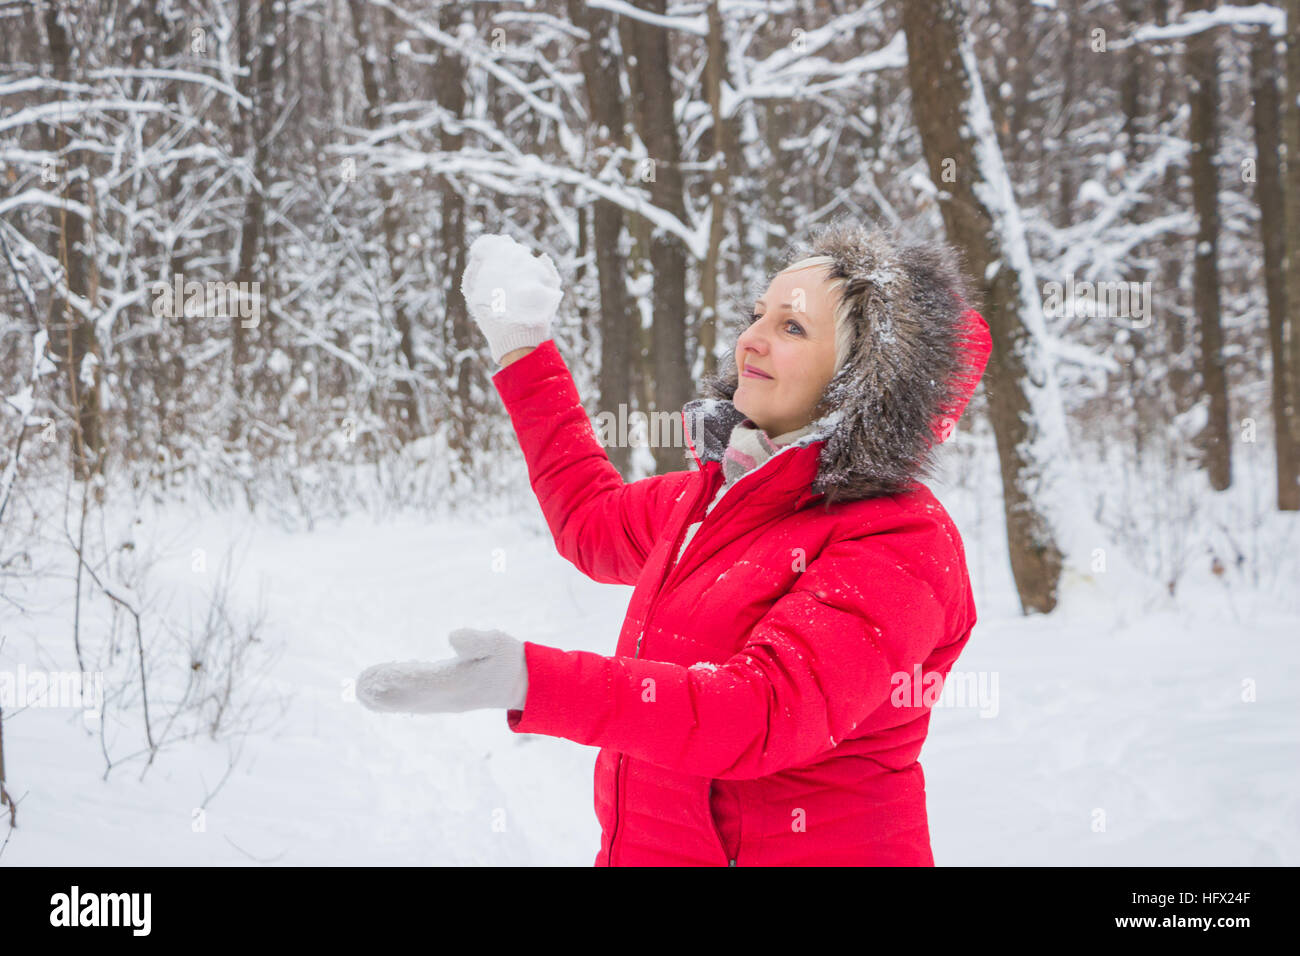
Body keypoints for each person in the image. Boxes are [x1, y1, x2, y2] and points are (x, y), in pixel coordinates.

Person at [356, 219, 993, 866]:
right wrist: (523, 345)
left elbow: (758, 712)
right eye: (758, 314)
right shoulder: (721, 499)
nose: (752, 338)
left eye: (792, 326)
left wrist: (533, 680)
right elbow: (591, 521)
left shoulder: (899, 538)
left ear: (865, 378)